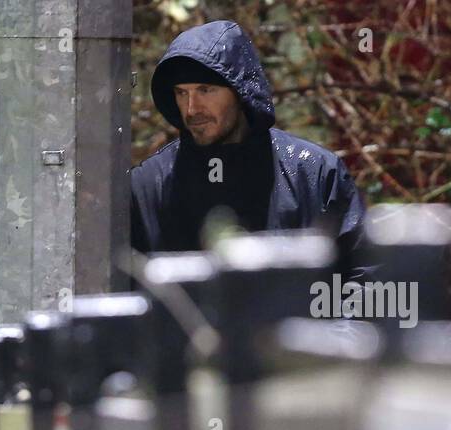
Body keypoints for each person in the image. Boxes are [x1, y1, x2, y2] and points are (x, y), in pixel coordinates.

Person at [130, 19, 368, 275]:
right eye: (181, 93)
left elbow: (361, 281)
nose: (192, 109)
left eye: (205, 90)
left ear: (239, 92)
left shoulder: (314, 173)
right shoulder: (149, 185)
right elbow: (122, 291)